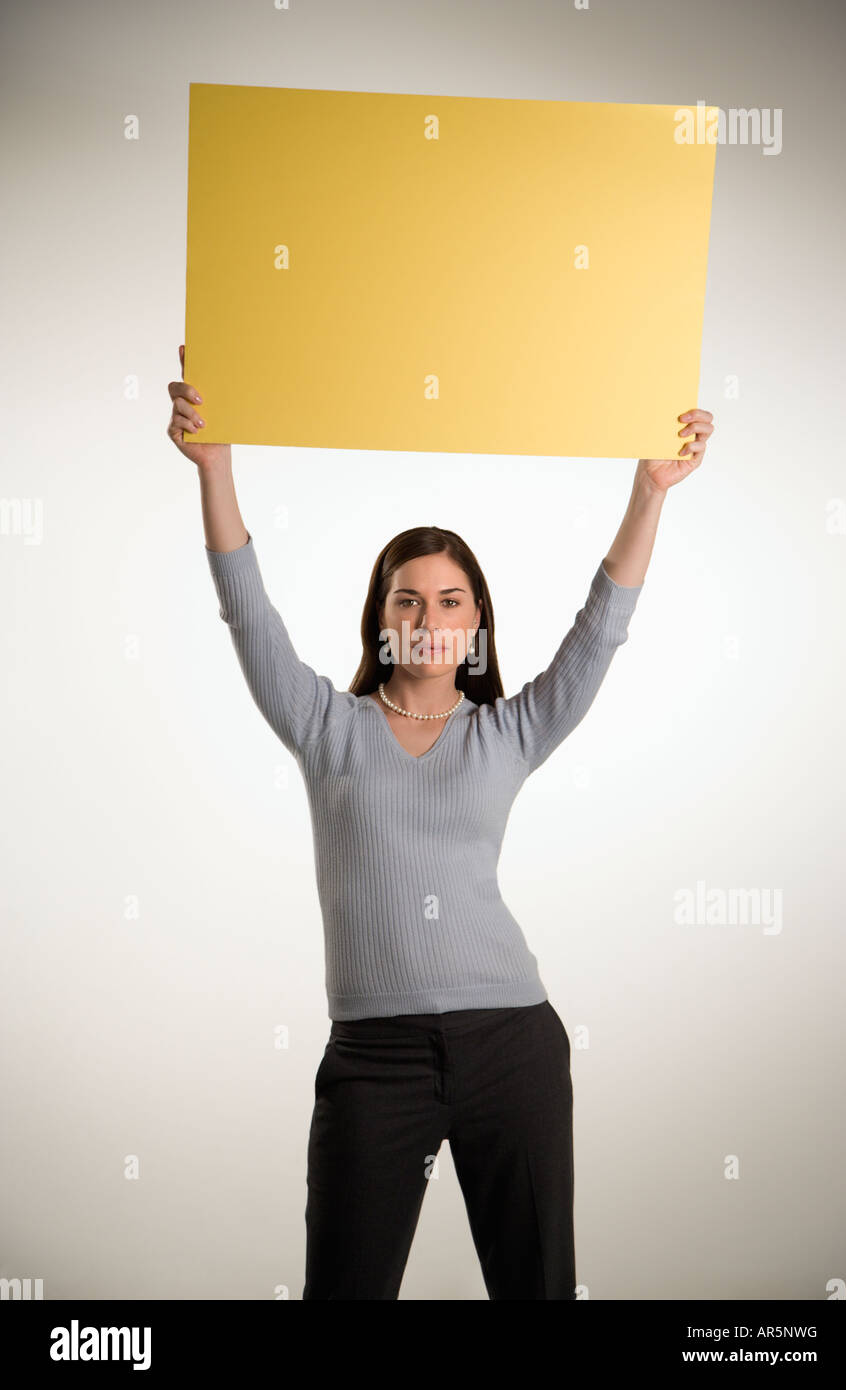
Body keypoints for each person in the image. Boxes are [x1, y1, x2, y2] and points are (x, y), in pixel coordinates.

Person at [167, 345, 713, 1299]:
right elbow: (246, 613)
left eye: (450, 601)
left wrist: (651, 492)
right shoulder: (325, 726)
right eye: (407, 598)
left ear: (476, 626)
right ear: (380, 617)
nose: (428, 616)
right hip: (373, 1057)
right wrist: (216, 468)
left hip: (513, 1042)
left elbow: (600, 630)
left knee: (536, 1285)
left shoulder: (508, 732)